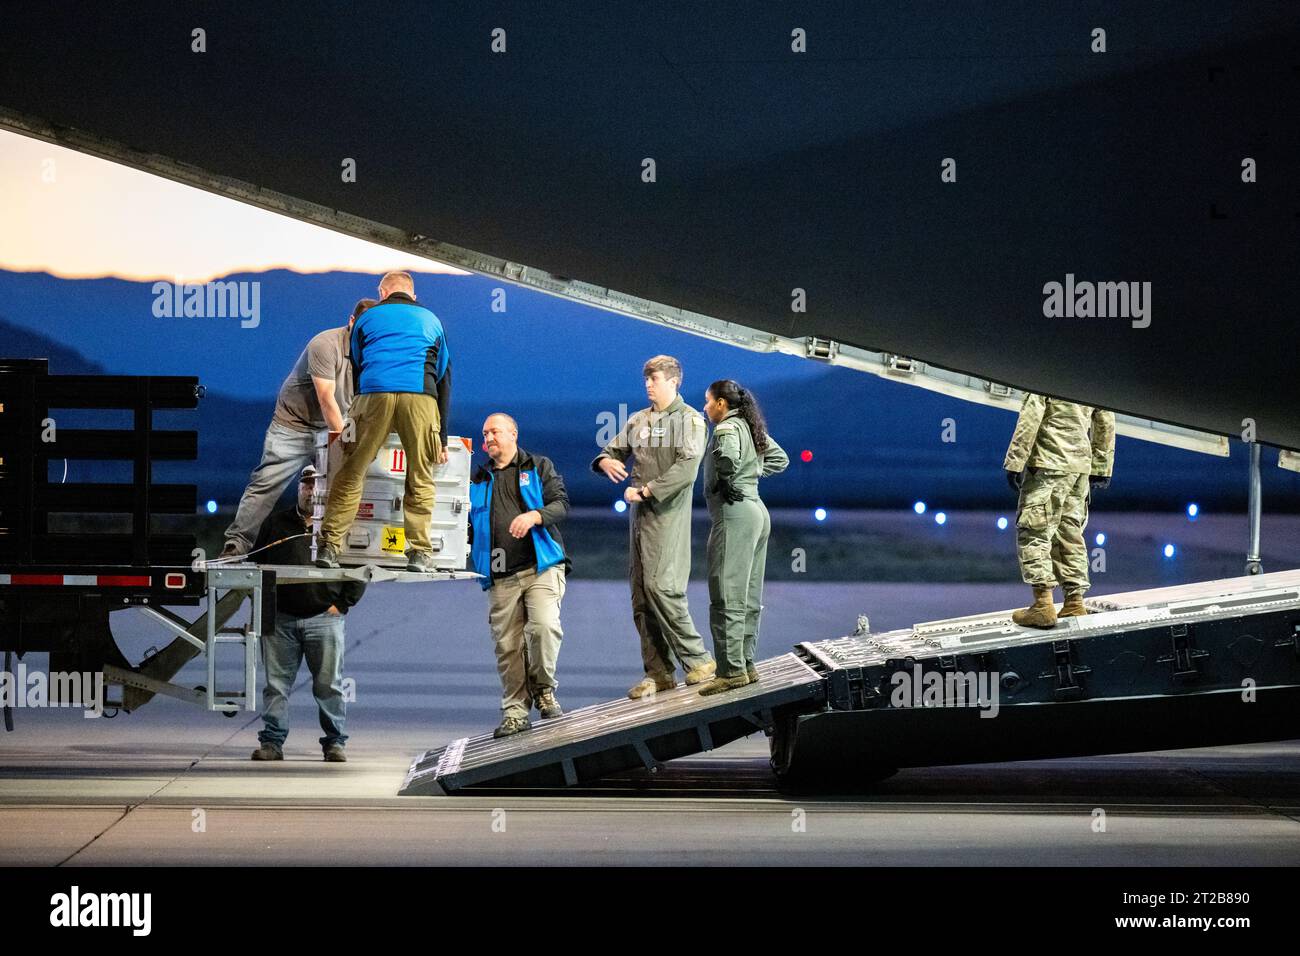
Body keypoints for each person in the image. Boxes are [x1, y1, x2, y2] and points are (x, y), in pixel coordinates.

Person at [592, 355, 716, 698]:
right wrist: (606, 461)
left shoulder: (690, 420)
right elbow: (613, 449)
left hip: (667, 514)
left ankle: (699, 660)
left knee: (663, 586)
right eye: (646, 379)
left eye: (655, 379)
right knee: (641, 595)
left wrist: (647, 490)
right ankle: (658, 672)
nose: (648, 384)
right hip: (639, 517)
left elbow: (687, 467)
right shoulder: (639, 420)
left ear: (674, 381)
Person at [316, 271, 452, 572]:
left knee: (352, 471)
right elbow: (442, 375)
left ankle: (329, 546)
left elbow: (357, 361)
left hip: (374, 393)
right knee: (419, 475)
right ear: (413, 295)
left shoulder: (367, 318)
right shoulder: (432, 320)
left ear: (382, 292)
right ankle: (418, 552)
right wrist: (441, 436)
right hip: (420, 396)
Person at [221, 298, 375, 558]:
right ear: (352, 321)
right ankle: (236, 546)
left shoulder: (374, 353)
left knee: (350, 483)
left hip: (336, 423)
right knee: (266, 483)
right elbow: (327, 398)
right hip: (294, 422)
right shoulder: (325, 344)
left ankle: (343, 548)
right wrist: (345, 441)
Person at [250, 466, 366, 762]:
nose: (311, 489)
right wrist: (264, 607)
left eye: (317, 484)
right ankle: (272, 743)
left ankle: (334, 743)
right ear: (299, 488)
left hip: (324, 619)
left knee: (329, 685)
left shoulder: (338, 526)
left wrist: (342, 603)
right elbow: (255, 568)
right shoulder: (276, 524)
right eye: (306, 484)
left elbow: (360, 567)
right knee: (276, 686)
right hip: (281, 620)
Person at [469, 413, 571, 738]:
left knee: (543, 627)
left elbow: (562, 504)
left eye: (495, 432)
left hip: (540, 565)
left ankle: (543, 689)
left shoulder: (538, 466)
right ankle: (515, 712)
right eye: (485, 434)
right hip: (499, 574)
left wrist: (534, 516)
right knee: (507, 646)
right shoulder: (478, 478)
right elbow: (467, 523)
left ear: (513, 433)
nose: (488, 439)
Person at [697, 380, 788, 695]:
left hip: (734, 514)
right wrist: (753, 475)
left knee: (726, 595)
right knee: (748, 595)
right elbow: (780, 459)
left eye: (708, 402)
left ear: (721, 403)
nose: (705, 407)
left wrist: (730, 475)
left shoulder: (725, 429)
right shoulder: (751, 427)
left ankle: (731, 671)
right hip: (756, 511)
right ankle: (746, 665)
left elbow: (727, 459)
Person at [1003, 392, 1116, 629]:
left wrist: (1015, 461)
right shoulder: (1092, 374)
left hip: (1048, 464)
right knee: (1070, 533)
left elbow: (1031, 416)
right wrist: (1102, 466)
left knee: (1034, 531)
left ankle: (1043, 605)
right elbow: (1105, 417)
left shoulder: (1046, 367)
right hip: (1079, 468)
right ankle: (1074, 602)